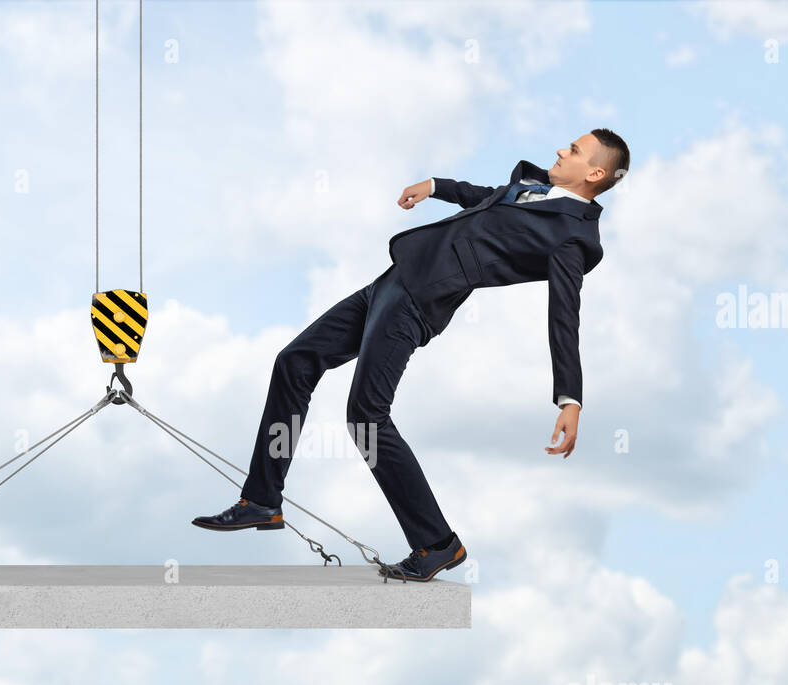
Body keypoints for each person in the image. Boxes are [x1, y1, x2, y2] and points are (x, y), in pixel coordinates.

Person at [193, 129, 631, 582]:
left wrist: (569, 399)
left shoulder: (573, 238)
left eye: (574, 151)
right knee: (295, 362)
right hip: (392, 281)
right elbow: (486, 198)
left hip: (417, 303)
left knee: (366, 417)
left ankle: (437, 544)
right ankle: (262, 500)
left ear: (595, 173)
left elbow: (564, 316)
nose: (561, 149)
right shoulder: (534, 189)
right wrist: (437, 187)